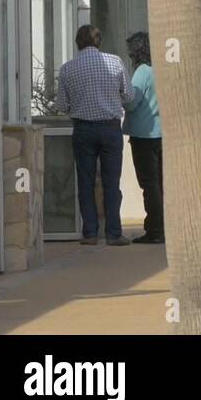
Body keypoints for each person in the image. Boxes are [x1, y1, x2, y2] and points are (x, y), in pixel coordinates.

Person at [54, 25, 135, 246]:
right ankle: (114, 233)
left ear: (77, 42)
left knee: (86, 181)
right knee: (111, 182)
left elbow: (61, 104)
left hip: (83, 129)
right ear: (98, 41)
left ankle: (90, 233)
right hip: (110, 129)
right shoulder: (115, 62)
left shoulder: (68, 68)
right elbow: (128, 95)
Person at [122, 32, 164, 244]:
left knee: (149, 183)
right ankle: (162, 227)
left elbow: (131, 101)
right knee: (160, 182)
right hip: (162, 133)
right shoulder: (161, 69)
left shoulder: (142, 72)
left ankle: (154, 229)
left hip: (143, 133)